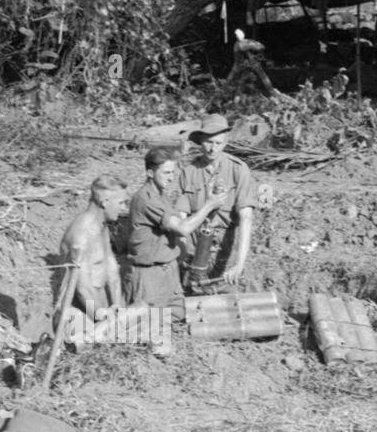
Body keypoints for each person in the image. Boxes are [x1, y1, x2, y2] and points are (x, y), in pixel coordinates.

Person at [125, 144, 226, 307]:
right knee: (149, 327)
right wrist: (209, 205)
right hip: (150, 276)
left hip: (168, 273)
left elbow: (178, 225)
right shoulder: (146, 199)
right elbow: (182, 229)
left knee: (177, 320)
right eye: (166, 173)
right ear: (150, 173)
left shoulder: (161, 195)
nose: (171, 178)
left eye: (173, 172)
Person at [177, 114, 259, 292]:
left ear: (226, 142)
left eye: (218, 143)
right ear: (200, 141)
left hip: (224, 250)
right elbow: (182, 218)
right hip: (194, 249)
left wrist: (239, 264)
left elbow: (246, 218)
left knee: (225, 305)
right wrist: (183, 254)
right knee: (194, 305)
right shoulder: (189, 172)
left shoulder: (238, 170)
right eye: (208, 142)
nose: (213, 149)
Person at [59, 175, 127, 318]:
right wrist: (101, 314)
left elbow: (112, 268)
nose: (124, 208)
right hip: (79, 313)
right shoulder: (81, 234)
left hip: (100, 304)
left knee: (145, 313)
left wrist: (117, 305)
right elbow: (82, 289)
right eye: (121, 203)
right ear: (105, 202)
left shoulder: (102, 226)